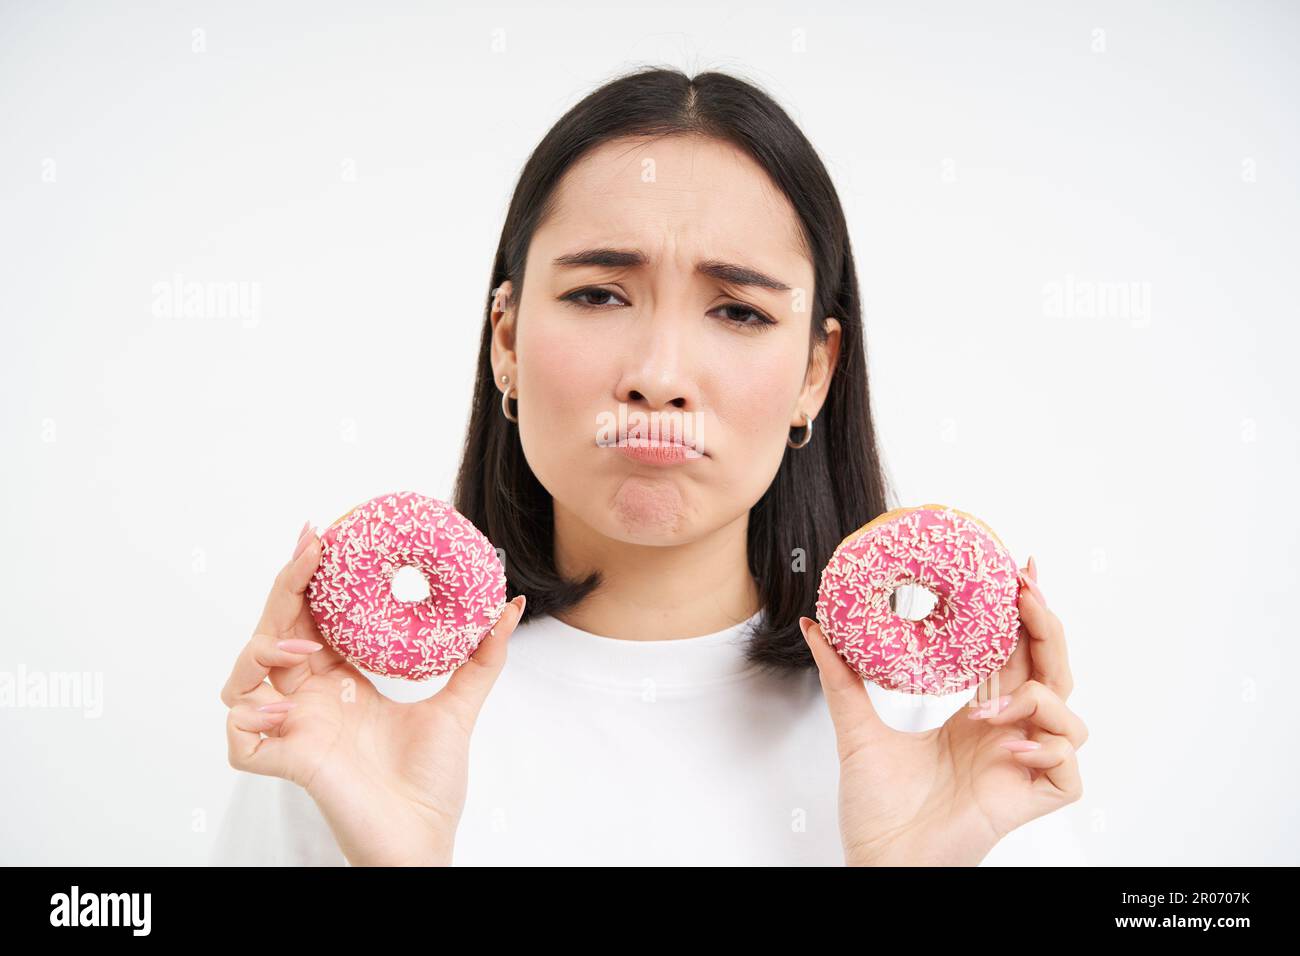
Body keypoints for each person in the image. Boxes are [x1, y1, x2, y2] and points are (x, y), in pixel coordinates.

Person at [213, 66, 1087, 866]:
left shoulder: (960, 740)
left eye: (738, 311)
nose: (660, 376)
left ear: (814, 373)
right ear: (507, 339)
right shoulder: (358, 727)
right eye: (598, 294)